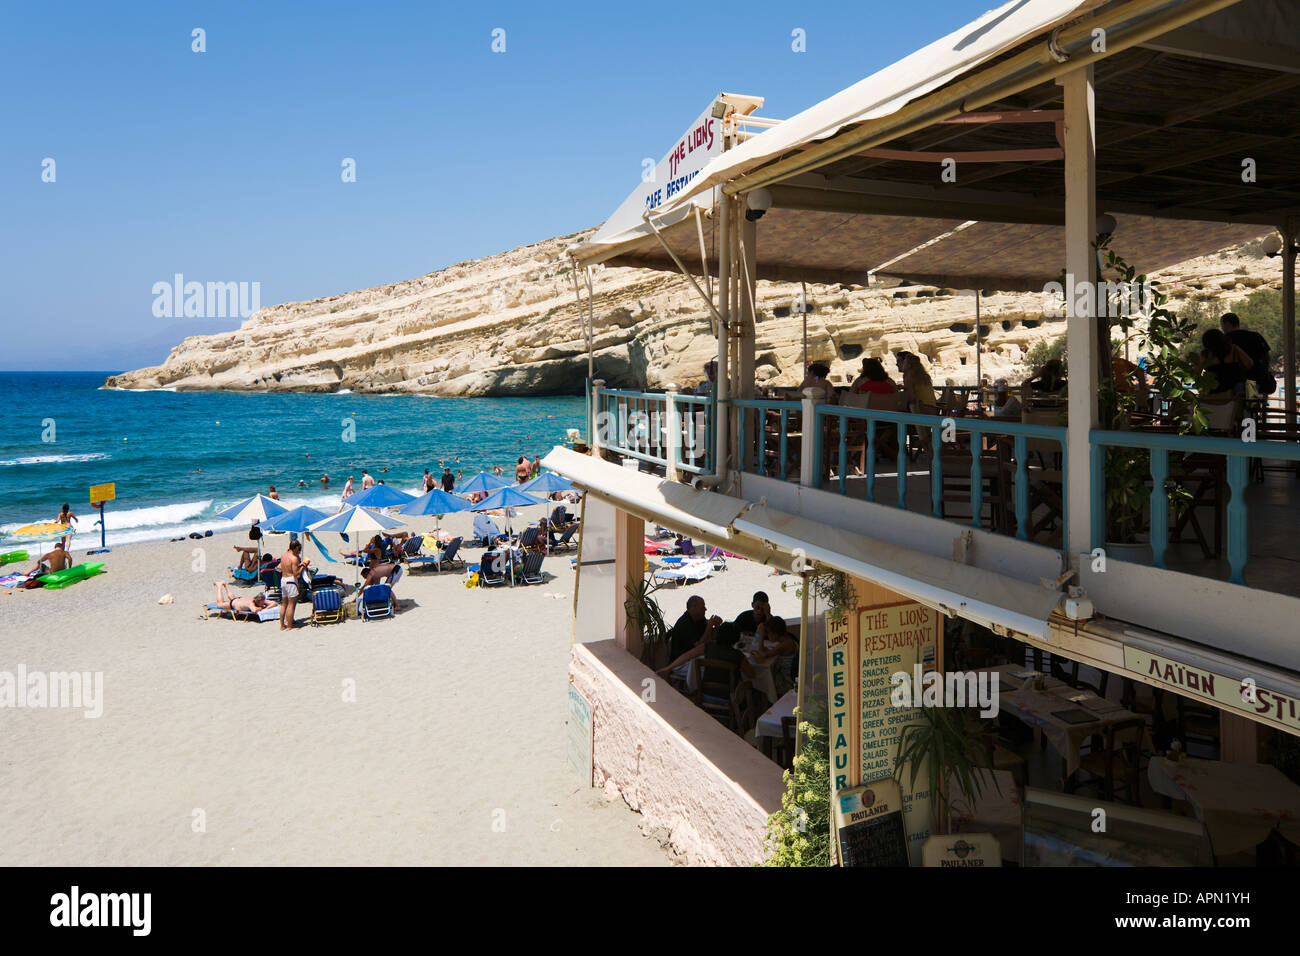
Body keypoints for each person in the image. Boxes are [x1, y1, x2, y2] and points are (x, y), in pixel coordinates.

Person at [656, 621, 755, 683]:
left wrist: (668, 668)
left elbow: (687, 655)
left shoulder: (707, 647)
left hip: (705, 692)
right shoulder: (738, 655)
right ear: (736, 638)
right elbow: (752, 675)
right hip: (729, 696)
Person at [1221, 311, 1274, 395]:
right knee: (1253, 404)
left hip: (1234, 383)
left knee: (1239, 406)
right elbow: (1266, 356)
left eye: (1222, 325)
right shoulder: (1255, 336)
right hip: (1257, 379)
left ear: (1227, 324)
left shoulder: (1225, 341)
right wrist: (1264, 373)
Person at [664, 595, 721, 661]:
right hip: (681, 661)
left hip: (693, 657)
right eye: (702, 607)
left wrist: (716, 626)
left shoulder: (700, 619)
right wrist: (709, 627)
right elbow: (698, 646)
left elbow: (711, 638)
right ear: (693, 608)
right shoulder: (685, 623)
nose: (705, 609)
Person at [1201, 328, 1252, 396]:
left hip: (1214, 392)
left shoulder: (1205, 355)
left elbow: (1196, 372)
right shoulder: (1234, 349)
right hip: (1235, 391)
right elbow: (1249, 364)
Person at [277, 540, 309, 630]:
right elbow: (296, 574)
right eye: (298, 549)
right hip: (291, 581)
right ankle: (290, 626)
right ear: (295, 548)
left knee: (284, 604)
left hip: (283, 580)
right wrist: (303, 566)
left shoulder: (283, 555)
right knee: (291, 604)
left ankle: (282, 625)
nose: (299, 551)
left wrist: (299, 565)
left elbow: (279, 567)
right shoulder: (294, 558)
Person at [211, 581, 276, 615]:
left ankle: (225, 585)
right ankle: (219, 586)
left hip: (238, 600)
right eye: (262, 604)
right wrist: (261, 608)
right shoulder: (251, 603)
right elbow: (254, 610)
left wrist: (266, 608)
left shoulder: (260, 599)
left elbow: (274, 603)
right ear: (257, 602)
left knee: (233, 598)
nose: (263, 604)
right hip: (234, 604)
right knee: (219, 604)